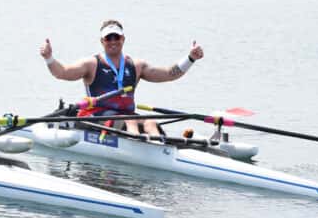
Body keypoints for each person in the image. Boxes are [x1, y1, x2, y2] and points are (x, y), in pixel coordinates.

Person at [39, 20, 204, 136]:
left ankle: (159, 146)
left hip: (126, 117)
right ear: (102, 41)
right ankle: (140, 144)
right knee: (131, 122)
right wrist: (49, 58)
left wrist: (190, 59)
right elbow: (63, 72)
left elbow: (169, 74)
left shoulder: (136, 65)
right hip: (99, 117)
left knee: (151, 122)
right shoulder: (91, 63)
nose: (113, 41)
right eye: (108, 38)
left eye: (116, 37)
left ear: (123, 39)